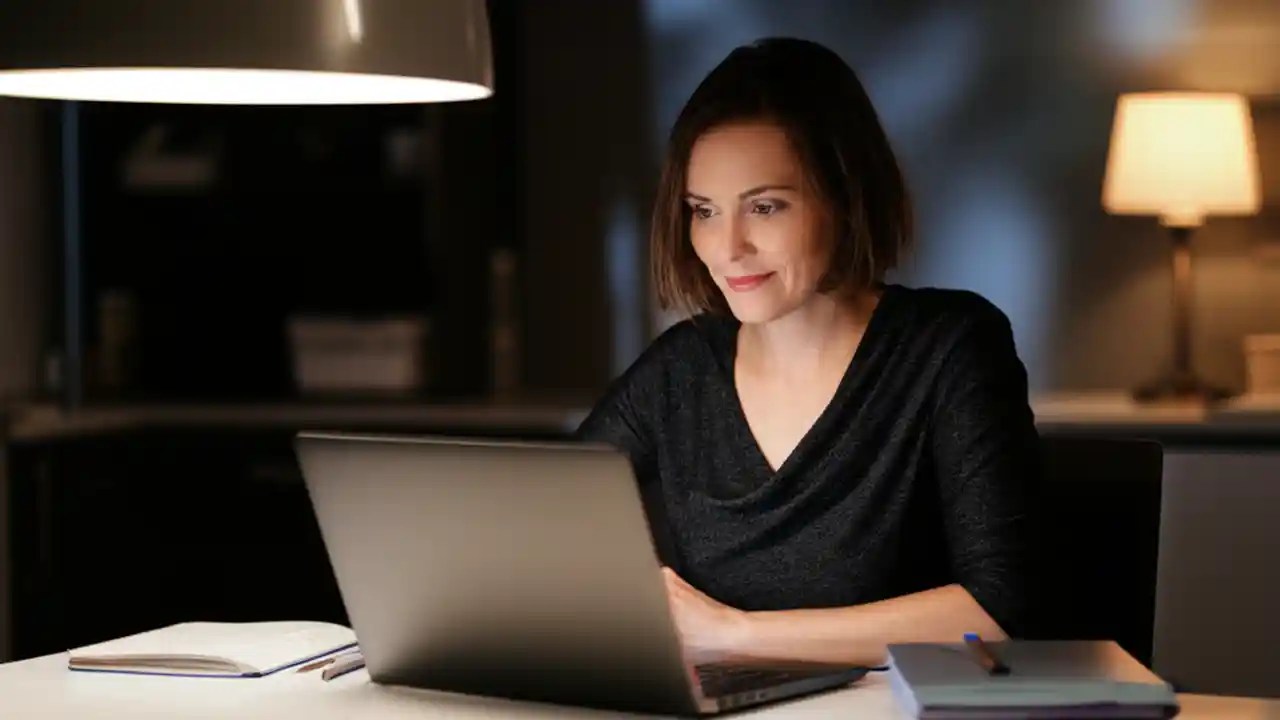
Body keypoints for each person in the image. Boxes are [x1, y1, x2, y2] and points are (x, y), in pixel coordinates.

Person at [576, 37, 1040, 668]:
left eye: (764, 207)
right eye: (703, 211)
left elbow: (998, 611)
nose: (727, 246)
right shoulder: (681, 369)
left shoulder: (950, 344)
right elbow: (542, 525)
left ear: (845, 199)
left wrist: (735, 633)